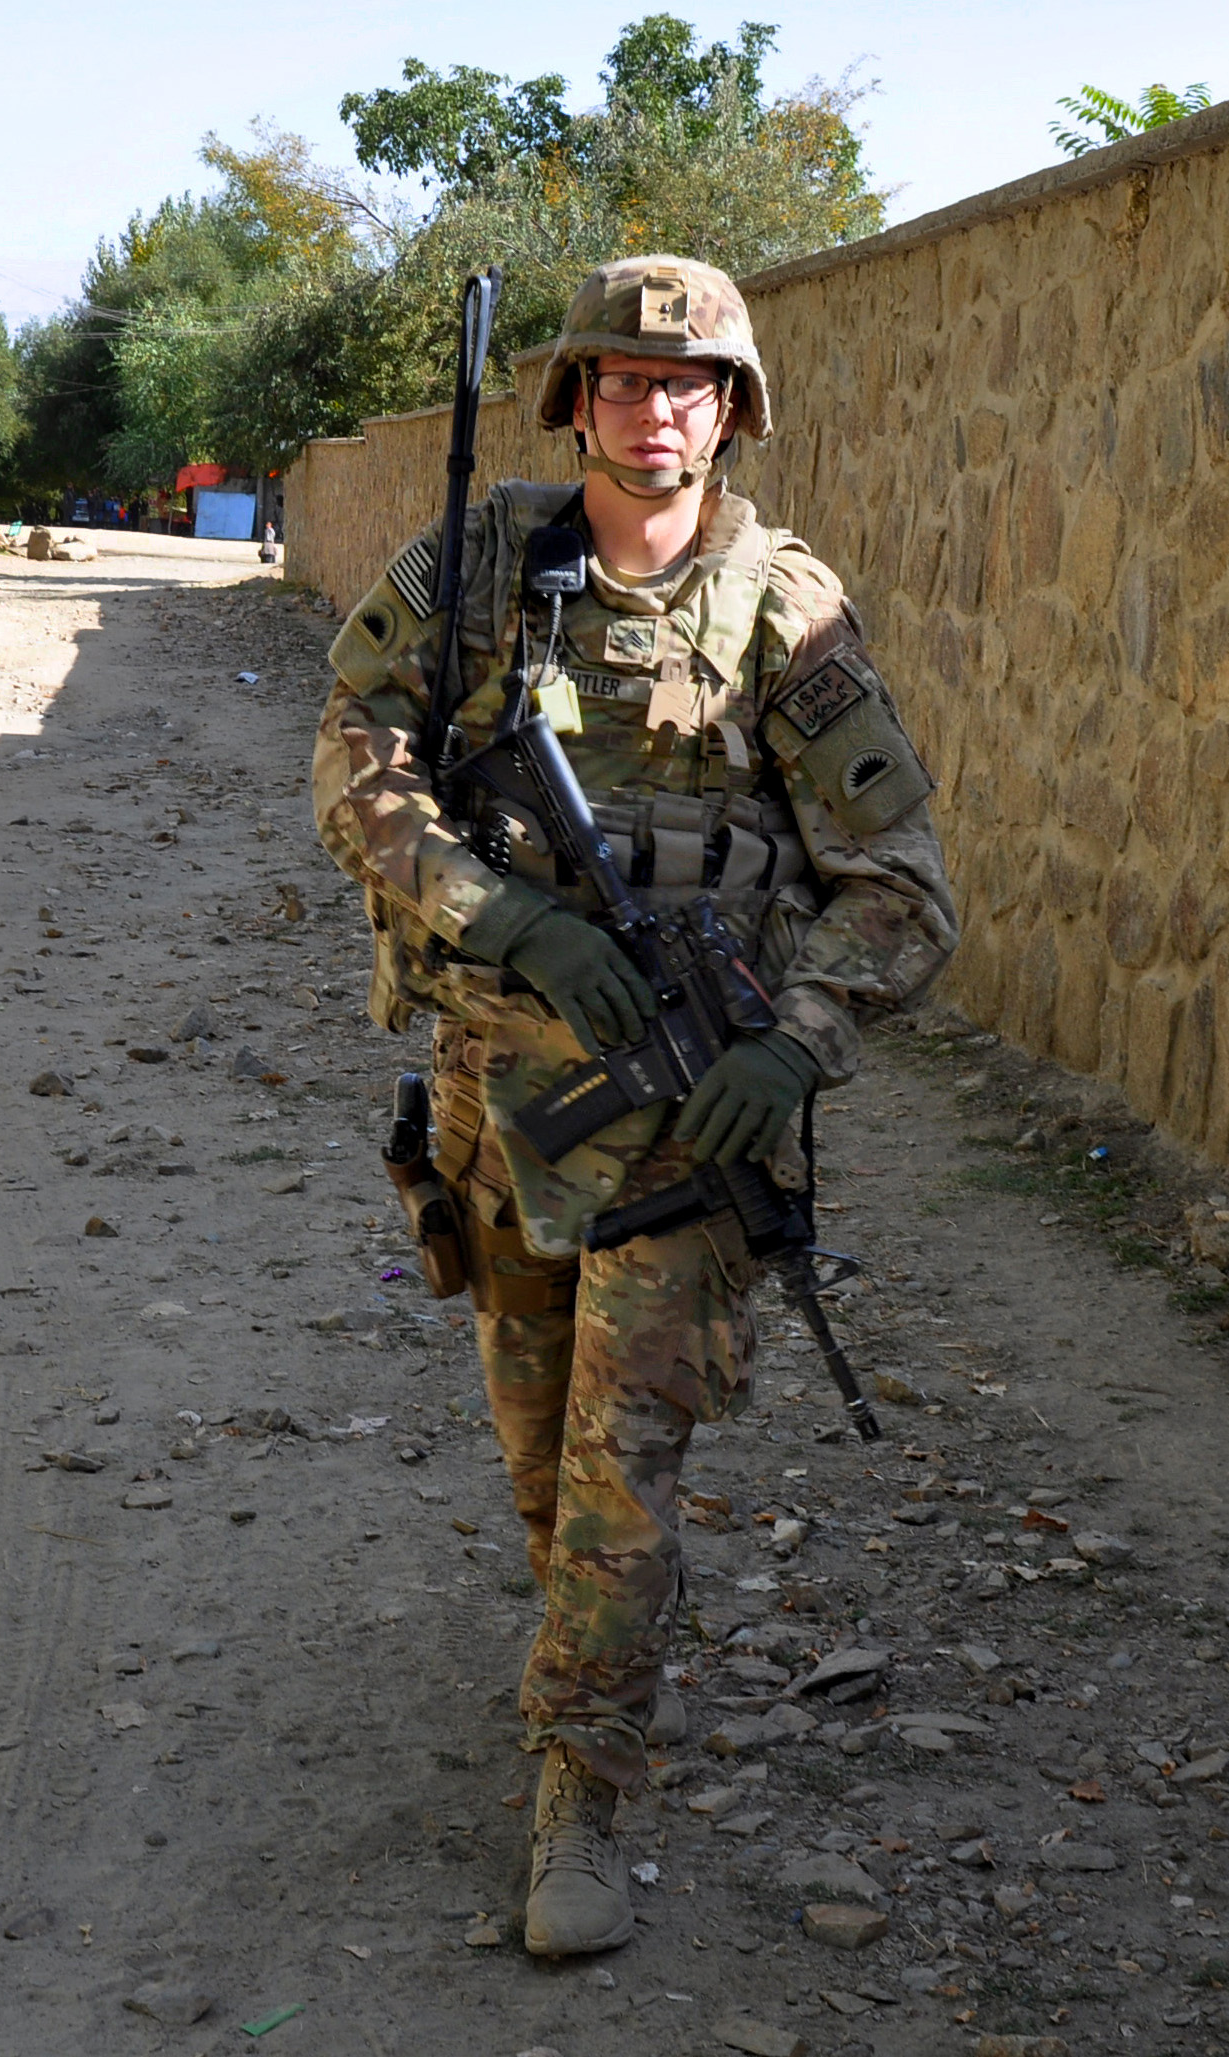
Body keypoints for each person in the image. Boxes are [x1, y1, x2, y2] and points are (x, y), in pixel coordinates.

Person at [310, 255, 958, 1957]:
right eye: (620, 381)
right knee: (539, 1460)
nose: (651, 410)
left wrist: (793, 1042)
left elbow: (904, 885)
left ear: (729, 411)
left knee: (620, 1478)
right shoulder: (474, 572)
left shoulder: (783, 610)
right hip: (496, 1106)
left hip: (689, 1130)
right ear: (574, 400)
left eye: (687, 387)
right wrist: (496, 913)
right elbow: (354, 759)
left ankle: (581, 1787)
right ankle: (579, 1677)